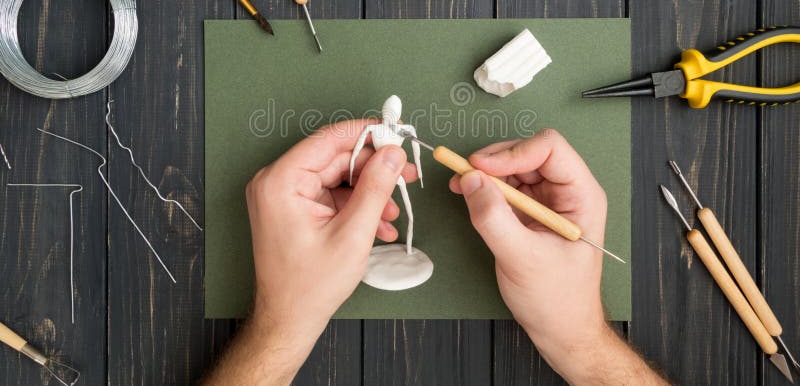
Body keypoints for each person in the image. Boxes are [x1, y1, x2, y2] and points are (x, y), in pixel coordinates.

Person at [202, 120, 667, 385]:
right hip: (385, 169)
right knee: (387, 203)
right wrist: (582, 343)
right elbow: (369, 146)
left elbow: (400, 146)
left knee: (396, 202)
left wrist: (582, 341)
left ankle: (402, 241)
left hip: (396, 173)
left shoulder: (397, 128)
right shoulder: (382, 134)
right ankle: (401, 241)